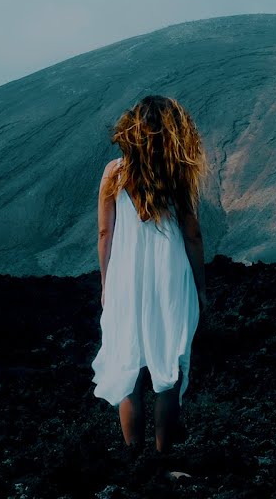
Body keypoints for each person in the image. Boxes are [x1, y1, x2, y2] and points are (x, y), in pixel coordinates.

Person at [90, 95, 208, 457]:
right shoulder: (178, 173)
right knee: (168, 366)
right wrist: (201, 289)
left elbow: (104, 235)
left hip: (126, 277)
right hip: (169, 278)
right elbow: (192, 234)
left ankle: (132, 461)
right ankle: (161, 461)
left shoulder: (114, 172)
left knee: (126, 365)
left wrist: (107, 284)